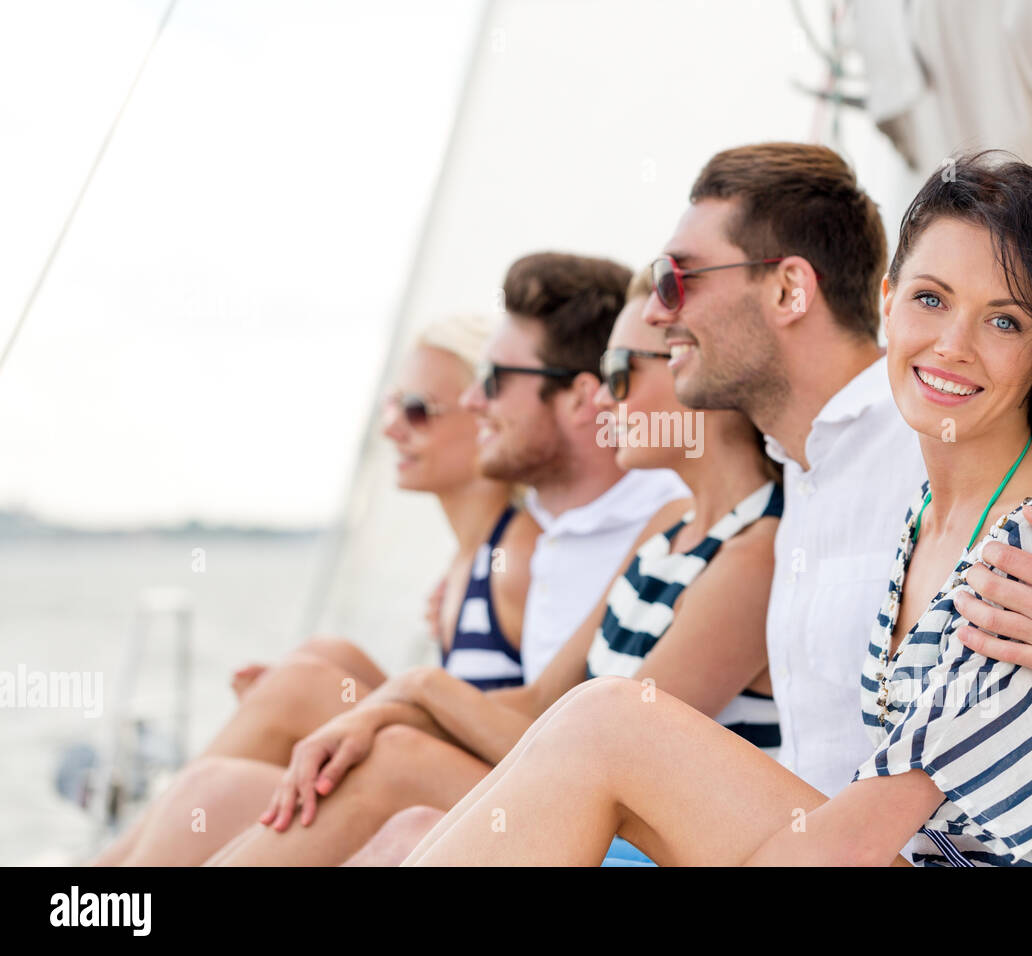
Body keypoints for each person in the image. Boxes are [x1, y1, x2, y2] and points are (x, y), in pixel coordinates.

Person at [400, 150, 1032, 865]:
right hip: (867, 837)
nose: (951, 346)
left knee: (608, 722)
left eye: (1005, 320)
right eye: (932, 300)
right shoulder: (917, 500)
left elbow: (856, 843)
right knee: (514, 772)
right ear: (886, 304)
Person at [103, 253, 689, 865]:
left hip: (606, 821)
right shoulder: (583, 529)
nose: (474, 403)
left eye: (486, 384)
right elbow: (551, 704)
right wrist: (394, 704)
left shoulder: (629, 530)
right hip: (553, 783)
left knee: (337, 725)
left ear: (578, 397)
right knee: (261, 740)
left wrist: (406, 697)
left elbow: (602, 742)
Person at [209, 265, 784, 866]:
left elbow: (613, 755)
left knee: (396, 767)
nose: (605, 401)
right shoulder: (669, 525)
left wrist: (416, 687)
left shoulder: (754, 553)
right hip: (598, 812)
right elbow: (544, 703)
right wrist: (386, 710)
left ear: (696, 371)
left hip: (651, 843)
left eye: (621, 373)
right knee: (389, 765)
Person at [90, 312, 539, 865]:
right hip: (462, 767)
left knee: (288, 700)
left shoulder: (517, 558)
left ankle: (98, 879)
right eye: (391, 406)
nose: (393, 428)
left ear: (481, 410)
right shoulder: (471, 560)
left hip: (502, 798)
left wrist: (347, 709)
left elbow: (541, 728)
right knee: (324, 656)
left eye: (418, 410)